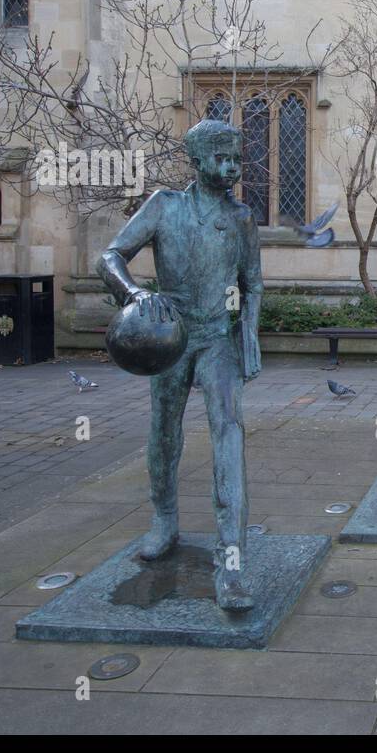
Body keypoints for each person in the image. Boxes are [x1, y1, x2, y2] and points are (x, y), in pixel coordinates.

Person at [96, 119, 263, 610]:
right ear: (197, 159)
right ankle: (164, 519)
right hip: (169, 336)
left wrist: (248, 334)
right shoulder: (163, 207)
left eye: (236, 158)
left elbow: (253, 281)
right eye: (222, 158)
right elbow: (110, 256)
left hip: (218, 339)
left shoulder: (242, 218)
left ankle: (231, 559)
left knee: (229, 433)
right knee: (164, 431)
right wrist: (132, 293)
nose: (232, 167)